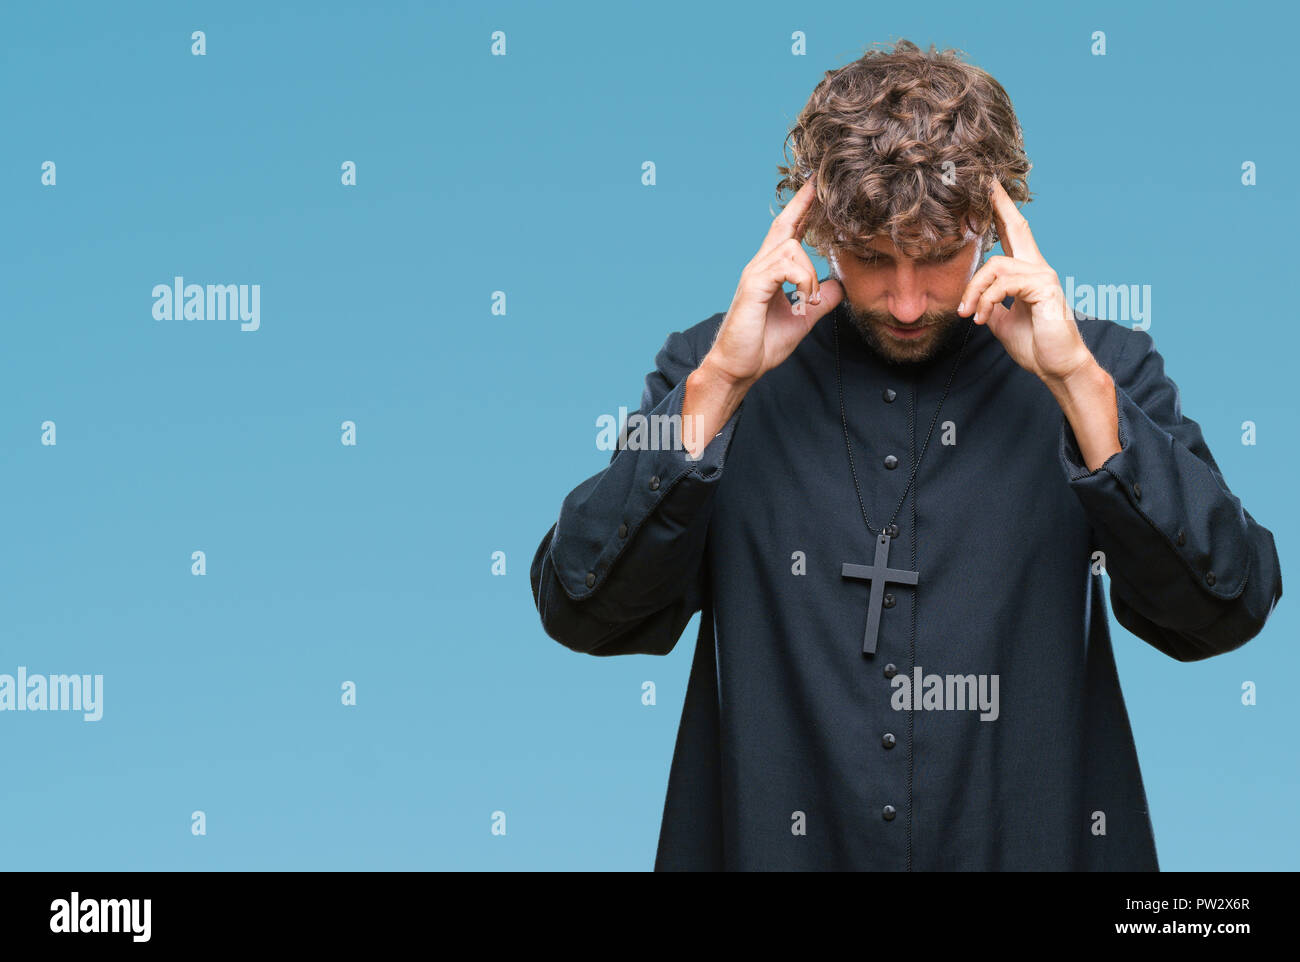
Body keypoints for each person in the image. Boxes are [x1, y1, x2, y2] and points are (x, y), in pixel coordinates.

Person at [529, 39, 1283, 871]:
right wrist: (717, 385)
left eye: (937, 256)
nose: (908, 300)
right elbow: (580, 606)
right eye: (873, 260)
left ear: (992, 228)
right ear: (818, 230)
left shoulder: (1101, 369)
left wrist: (1079, 387)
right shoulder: (711, 368)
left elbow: (1227, 607)